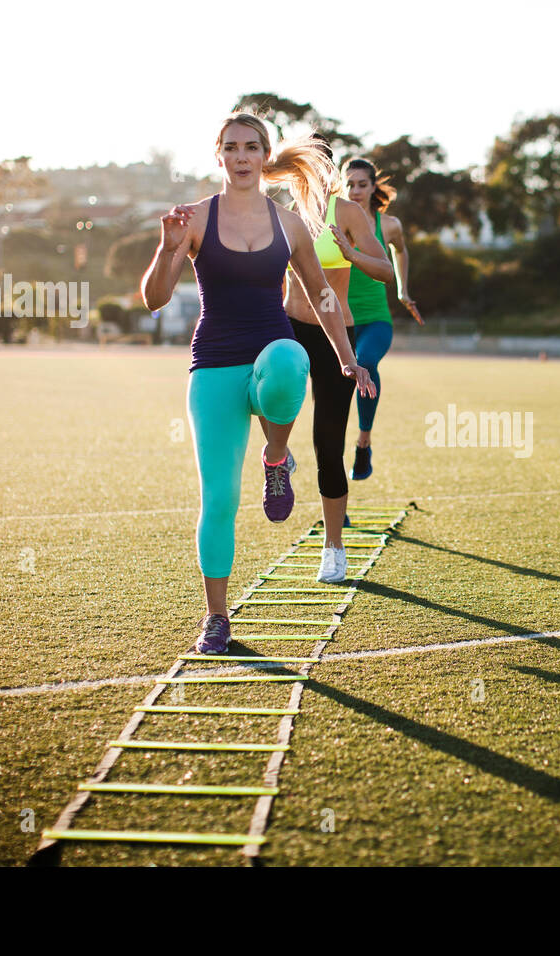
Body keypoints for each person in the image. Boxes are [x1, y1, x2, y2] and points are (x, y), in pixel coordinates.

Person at [140, 109, 374, 654]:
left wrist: (345, 357)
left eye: (251, 147)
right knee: (219, 499)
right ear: (218, 155)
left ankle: (276, 457)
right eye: (232, 147)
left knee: (293, 358)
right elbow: (154, 299)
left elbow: (322, 296)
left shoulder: (290, 225)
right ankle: (217, 618)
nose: (241, 157)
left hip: (272, 355)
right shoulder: (194, 218)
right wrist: (167, 245)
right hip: (215, 366)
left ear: (265, 158)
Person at [284, 138, 393, 583]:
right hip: (287, 326)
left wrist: (350, 254)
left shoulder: (346, 212)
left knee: (327, 444)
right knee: (263, 395)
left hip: (336, 336)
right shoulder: (283, 213)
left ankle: (333, 547)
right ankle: (277, 455)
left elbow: (386, 270)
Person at [342, 157, 423, 481]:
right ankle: (335, 481)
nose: (355, 190)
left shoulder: (389, 225)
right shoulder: (332, 221)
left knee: (365, 362)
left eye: (362, 184)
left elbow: (401, 251)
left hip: (376, 320)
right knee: (332, 390)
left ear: (374, 186)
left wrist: (403, 290)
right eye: (349, 184)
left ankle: (364, 442)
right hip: (339, 322)